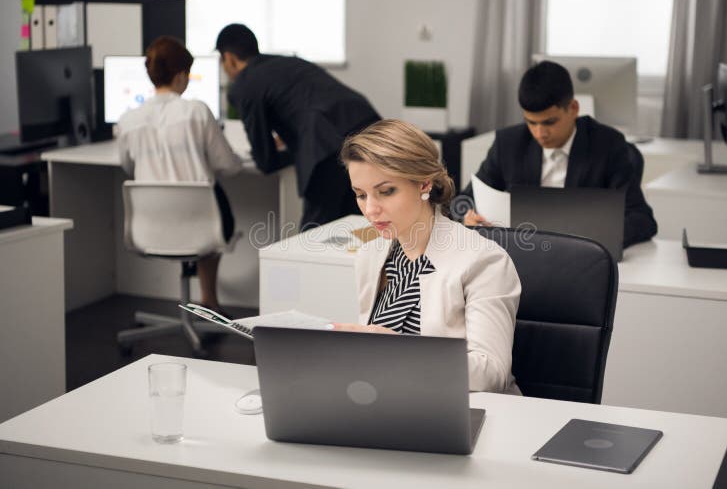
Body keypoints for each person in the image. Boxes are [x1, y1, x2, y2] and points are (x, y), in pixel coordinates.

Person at [334, 119, 522, 394]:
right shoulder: (371, 255)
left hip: (461, 410)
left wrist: (403, 350)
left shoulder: (484, 260)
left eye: (386, 191)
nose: (371, 209)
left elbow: (492, 374)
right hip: (390, 401)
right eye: (360, 195)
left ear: (424, 184)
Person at [462, 61, 658, 248]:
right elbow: (462, 201)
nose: (540, 133)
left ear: (573, 108)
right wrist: (467, 217)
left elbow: (642, 219)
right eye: (531, 122)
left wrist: (597, 235)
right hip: (521, 256)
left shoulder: (608, 144)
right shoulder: (508, 144)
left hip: (582, 258)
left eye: (549, 122)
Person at [215, 23, 382, 228]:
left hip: (327, 145)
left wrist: (295, 153)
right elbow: (305, 102)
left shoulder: (244, 84)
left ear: (229, 58)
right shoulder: (287, 63)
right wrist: (292, 141)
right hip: (369, 127)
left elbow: (265, 161)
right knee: (362, 227)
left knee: (314, 237)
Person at [118, 36, 242, 310]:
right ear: (181, 75)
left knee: (203, 208)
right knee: (213, 203)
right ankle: (208, 299)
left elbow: (128, 168)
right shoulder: (197, 111)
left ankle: (203, 300)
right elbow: (227, 166)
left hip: (149, 230)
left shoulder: (128, 121)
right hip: (201, 228)